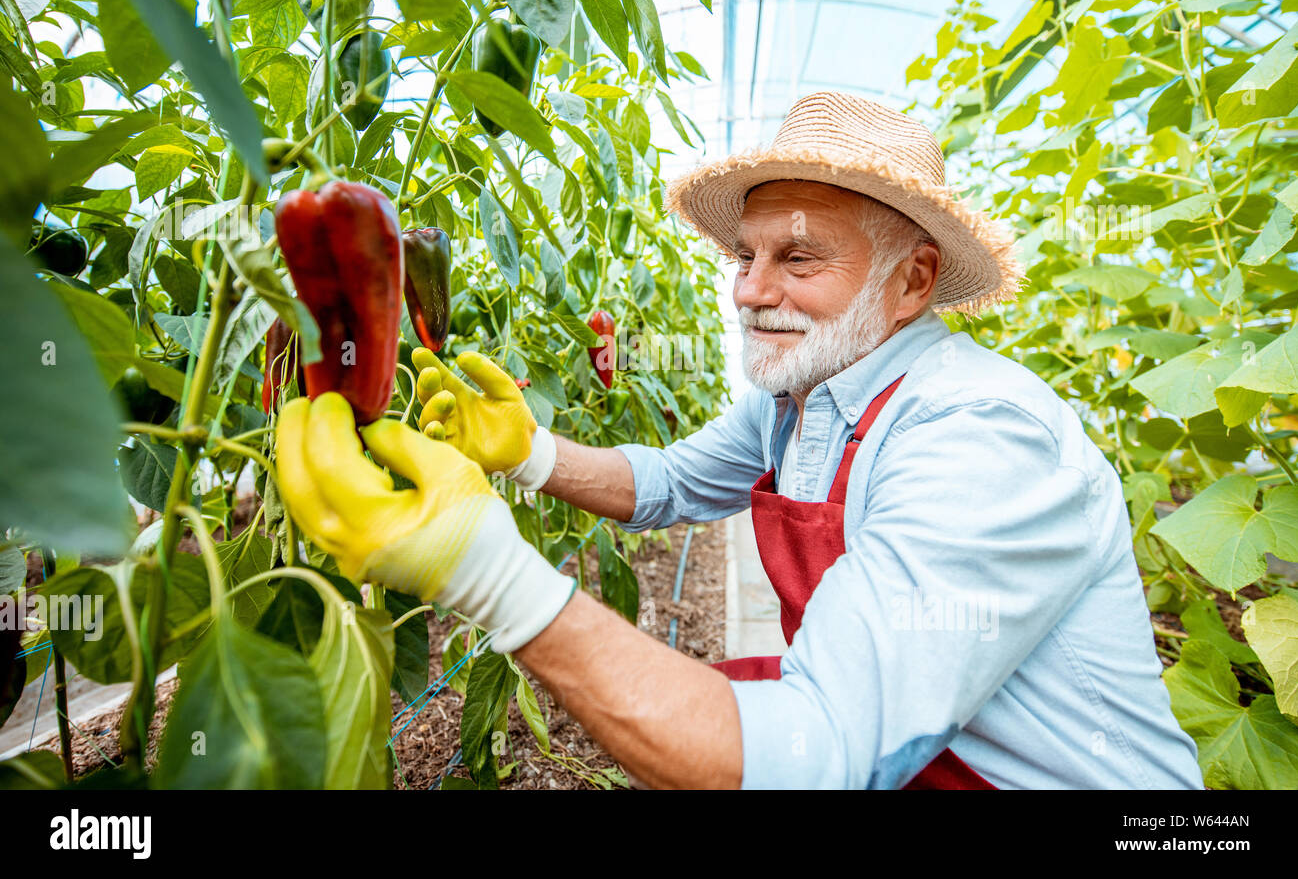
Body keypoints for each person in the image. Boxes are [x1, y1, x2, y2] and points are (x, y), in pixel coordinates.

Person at [275, 91, 1203, 789]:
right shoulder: (804, 392)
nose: (751, 291)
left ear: (913, 281)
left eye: (798, 257)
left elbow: (818, 748)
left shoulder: (982, 438)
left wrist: (484, 570)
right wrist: (525, 451)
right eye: (745, 255)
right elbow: (669, 481)